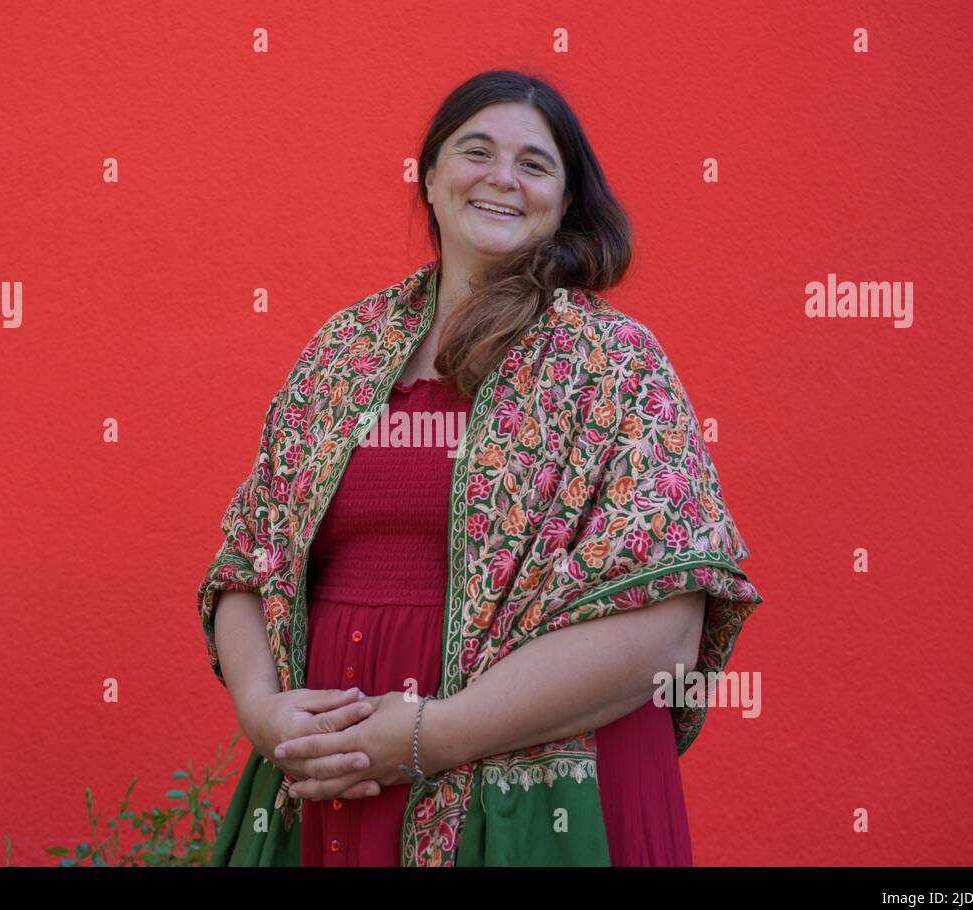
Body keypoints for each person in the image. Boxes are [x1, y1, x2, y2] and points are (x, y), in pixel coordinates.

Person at [197, 69, 763, 866]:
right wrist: (264, 714)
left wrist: (426, 738)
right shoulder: (343, 351)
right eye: (477, 151)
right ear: (429, 177)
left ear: (565, 202)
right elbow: (243, 564)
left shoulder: (613, 364)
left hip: (537, 804)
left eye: (535, 164)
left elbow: (667, 631)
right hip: (334, 793)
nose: (503, 177)